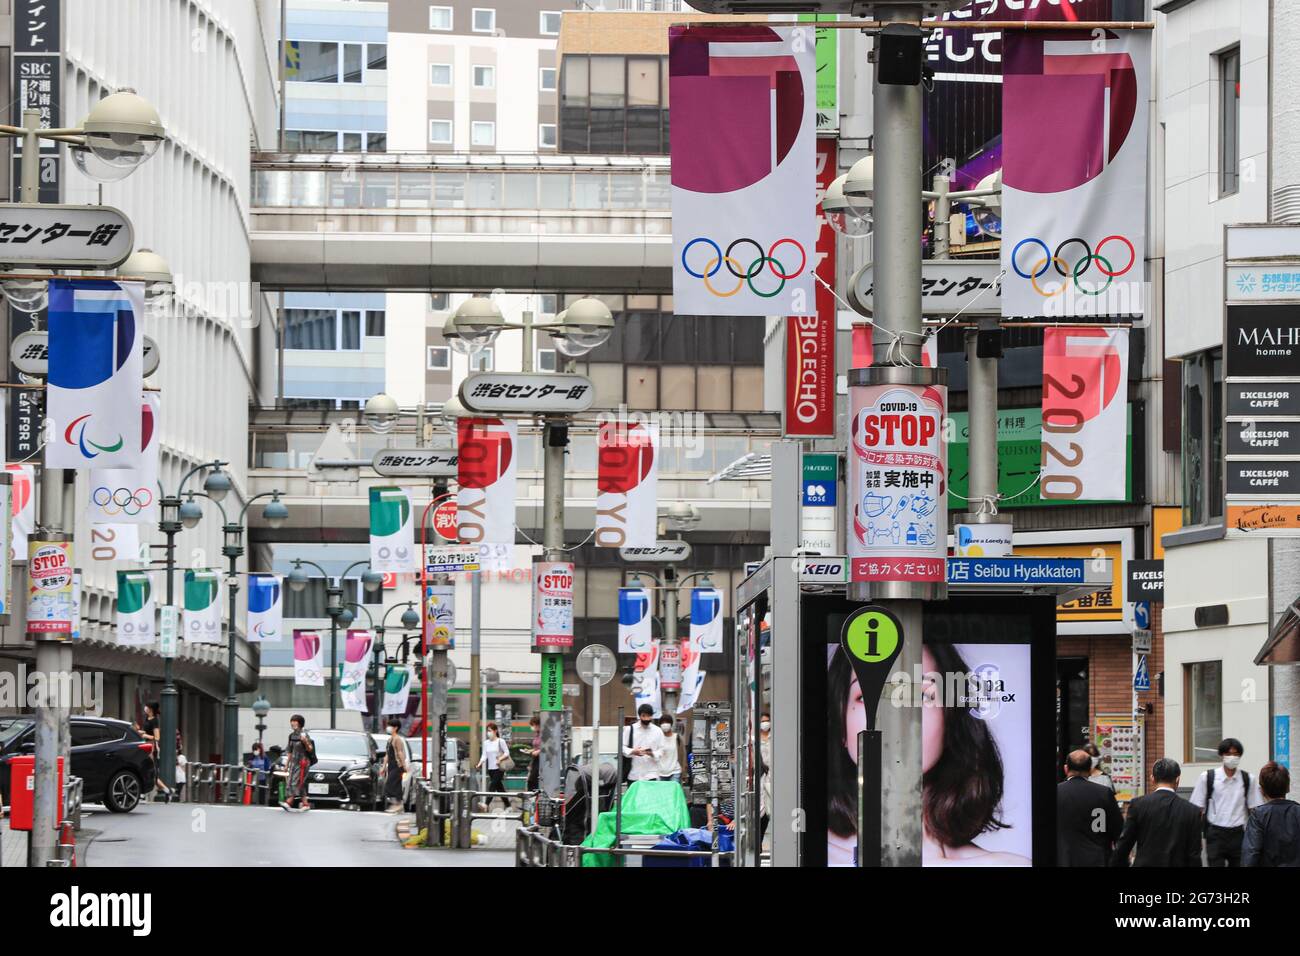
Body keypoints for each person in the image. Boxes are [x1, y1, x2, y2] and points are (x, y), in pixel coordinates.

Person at [828, 642, 1029, 866]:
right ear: (841, 725)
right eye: (868, 695)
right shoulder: (800, 851)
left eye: (921, 695)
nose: (896, 717)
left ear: (951, 720)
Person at [1111, 758, 1203, 867]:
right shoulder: (1192, 811)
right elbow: (1194, 855)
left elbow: (1124, 844)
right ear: (1178, 780)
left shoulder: (1138, 805)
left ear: (1152, 779)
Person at [1189, 737, 1263, 867]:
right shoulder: (1207, 777)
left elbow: (1255, 809)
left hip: (1239, 833)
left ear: (1240, 756)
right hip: (1215, 833)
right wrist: (1195, 836)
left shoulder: (1248, 779)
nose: (1232, 757)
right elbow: (1196, 809)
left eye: (1235, 754)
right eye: (1228, 754)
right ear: (1222, 755)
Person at [1056, 749, 1124, 866]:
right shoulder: (1104, 793)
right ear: (1090, 770)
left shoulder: (1056, 793)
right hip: (1098, 859)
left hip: (1064, 859)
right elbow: (1118, 830)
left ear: (1066, 769)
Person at [1242, 761, 1300, 867]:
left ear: (1262, 790)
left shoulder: (1258, 815)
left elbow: (1250, 854)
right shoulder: (1297, 811)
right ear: (1288, 787)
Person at [622, 704, 665, 783]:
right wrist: (633, 751)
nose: (646, 718)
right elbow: (622, 747)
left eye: (649, 716)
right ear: (639, 716)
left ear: (652, 716)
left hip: (652, 774)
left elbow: (662, 750)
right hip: (634, 774)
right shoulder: (630, 729)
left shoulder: (658, 731)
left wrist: (652, 753)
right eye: (643, 716)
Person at [280, 714, 315, 811]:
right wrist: (287, 765)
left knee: (296, 782)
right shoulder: (291, 736)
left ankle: (289, 802)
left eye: (295, 721)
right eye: (292, 721)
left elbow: (310, 749)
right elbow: (290, 751)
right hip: (294, 762)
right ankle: (305, 804)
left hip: (303, 762)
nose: (293, 723)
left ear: (300, 723)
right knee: (297, 782)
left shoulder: (304, 734)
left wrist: (305, 742)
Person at [142, 703, 174, 804]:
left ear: (151, 709)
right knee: (147, 771)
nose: (145, 708)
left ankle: (143, 793)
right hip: (145, 746)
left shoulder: (155, 720)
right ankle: (167, 791)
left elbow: (157, 737)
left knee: (151, 772)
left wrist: (144, 734)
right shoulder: (147, 718)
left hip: (151, 747)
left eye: (147, 706)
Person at [476, 721, 509, 807]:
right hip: (491, 769)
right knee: (500, 788)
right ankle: (508, 806)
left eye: (490, 730)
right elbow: (484, 755)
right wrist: (479, 764)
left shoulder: (500, 741)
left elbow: (507, 753)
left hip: (499, 768)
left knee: (492, 785)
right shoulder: (486, 743)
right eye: (487, 730)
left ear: (495, 731)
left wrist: (500, 759)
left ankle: (486, 804)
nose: (488, 733)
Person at [383, 717, 409, 813]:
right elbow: (387, 754)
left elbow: (400, 753)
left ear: (396, 728)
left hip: (397, 765)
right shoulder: (390, 739)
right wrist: (383, 767)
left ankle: (397, 804)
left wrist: (404, 766)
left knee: (390, 785)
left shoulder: (397, 739)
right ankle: (399, 805)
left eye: (390, 726)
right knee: (395, 785)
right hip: (391, 765)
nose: (388, 728)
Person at [657, 717, 684, 783]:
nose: (665, 724)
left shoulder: (677, 737)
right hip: (660, 772)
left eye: (667, 722)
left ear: (671, 724)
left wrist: (684, 771)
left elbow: (682, 754)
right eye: (662, 723)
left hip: (675, 771)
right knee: (661, 793)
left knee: (673, 792)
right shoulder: (657, 738)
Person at [525, 713, 542, 792]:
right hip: (535, 759)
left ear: (538, 725)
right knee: (531, 779)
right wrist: (530, 750)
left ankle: (533, 797)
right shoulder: (537, 735)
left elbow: (547, 747)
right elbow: (536, 747)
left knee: (533, 779)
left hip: (541, 760)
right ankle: (532, 798)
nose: (532, 727)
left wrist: (538, 752)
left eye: (533, 725)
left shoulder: (544, 734)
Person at [174, 738, 188, 803]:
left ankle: (178, 798)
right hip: (177, 777)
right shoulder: (176, 756)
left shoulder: (181, 757)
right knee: (177, 791)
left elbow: (184, 766)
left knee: (178, 791)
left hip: (180, 777)